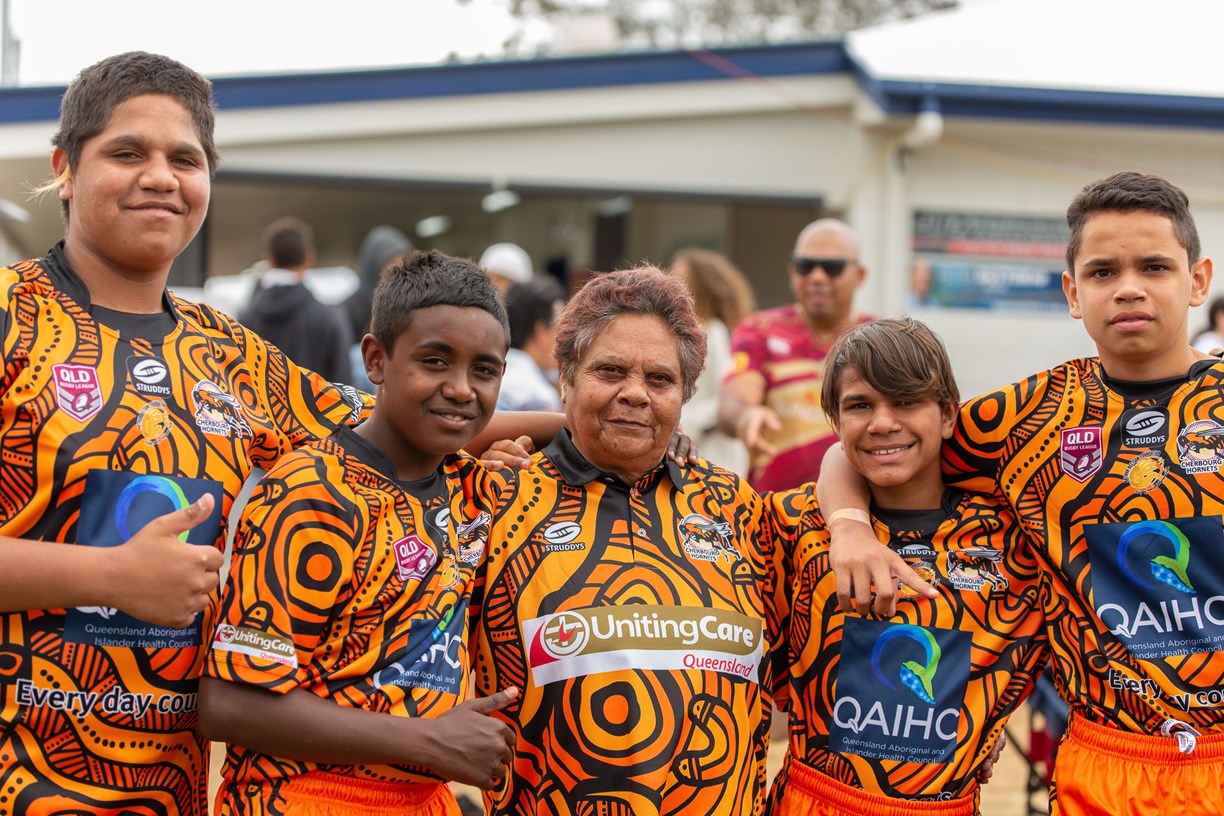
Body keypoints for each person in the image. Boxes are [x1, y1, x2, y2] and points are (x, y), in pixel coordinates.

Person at [0, 52, 370, 814]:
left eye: (185, 158)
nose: (161, 177)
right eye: (127, 152)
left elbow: (394, 428)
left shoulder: (233, 355)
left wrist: (583, 422)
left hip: (166, 793)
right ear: (65, 166)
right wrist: (107, 578)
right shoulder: (10, 317)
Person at [820, 172, 1224, 815]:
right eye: (1101, 272)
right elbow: (864, 446)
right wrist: (849, 527)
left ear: (1197, 280)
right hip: (1108, 766)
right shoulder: (1026, 419)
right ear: (1071, 291)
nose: (1128, 287)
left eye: (1154, 267)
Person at [201, 250, 519, 815]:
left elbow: (573, 446)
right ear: (375, 359)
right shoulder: (314, 492)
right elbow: (229, 704)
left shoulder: (472, 489)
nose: (462, 389)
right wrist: (428, 741)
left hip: (424, 800)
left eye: (485, 370)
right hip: (300, 799)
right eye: (435, 361)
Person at [471, 266, 781, 816]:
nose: (635, 394)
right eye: (610, 371)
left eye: (660, 380)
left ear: (685, 393)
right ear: (565, 377)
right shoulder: (495, 500)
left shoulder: (737, 508)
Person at [767, 318, 1047, 816]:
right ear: (835, 420)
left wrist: (985, 725)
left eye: (905, 401)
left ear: (946, 415)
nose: (881, 423)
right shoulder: (791, 528)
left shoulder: (1015, 538)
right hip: (812, 802)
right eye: (860, 406)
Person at [718, 219, 872, 492]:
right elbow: (733, 403)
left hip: (859, 509)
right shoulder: (760, 330)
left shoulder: (879, 338)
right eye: (805, 266)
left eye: (832, 268)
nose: (816, 277)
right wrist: (746, 416)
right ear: (792, 270)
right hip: (774, 512)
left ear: (860, 275)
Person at [239, 215, 353, 383]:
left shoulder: (245, 320)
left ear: (269, 259)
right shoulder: (328, 318)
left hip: (259, 409)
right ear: (309, 257)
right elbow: (345, 387)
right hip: (316, 409)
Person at [671, 247, 755, 475]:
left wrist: (681, 422)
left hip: (712, 451)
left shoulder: (713, 331)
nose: (673, 282)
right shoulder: (685, 333)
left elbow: (724, 397)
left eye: (681, 277)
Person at [344, 224, 413, 392]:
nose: (396, 272)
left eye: (403, 263)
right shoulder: (350, 309)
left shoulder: (413, 305)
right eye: (389, 264)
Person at [497, 275, 567, 412]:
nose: (566, 338)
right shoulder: (537, 395)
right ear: (540, 330)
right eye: (560, 328)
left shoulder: (492, 370)